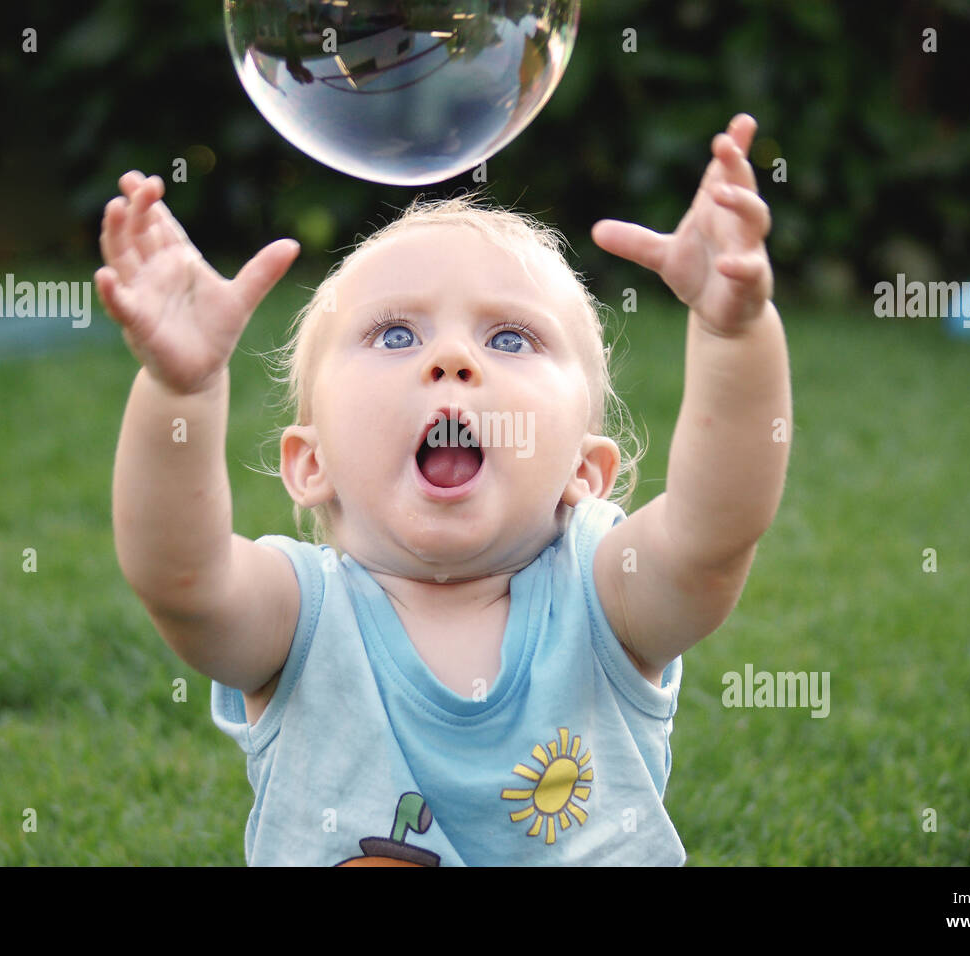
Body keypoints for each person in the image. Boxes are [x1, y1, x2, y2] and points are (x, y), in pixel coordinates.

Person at [96, 113, 791, 865]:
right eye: (395, 335)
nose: (453, 359)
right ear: (311, 462)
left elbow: (714, 532)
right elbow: (181, 577)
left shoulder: (606, 595)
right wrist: (182, 391)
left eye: (510, 338)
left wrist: (734, 337)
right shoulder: (297, 617)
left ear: (583, 477)